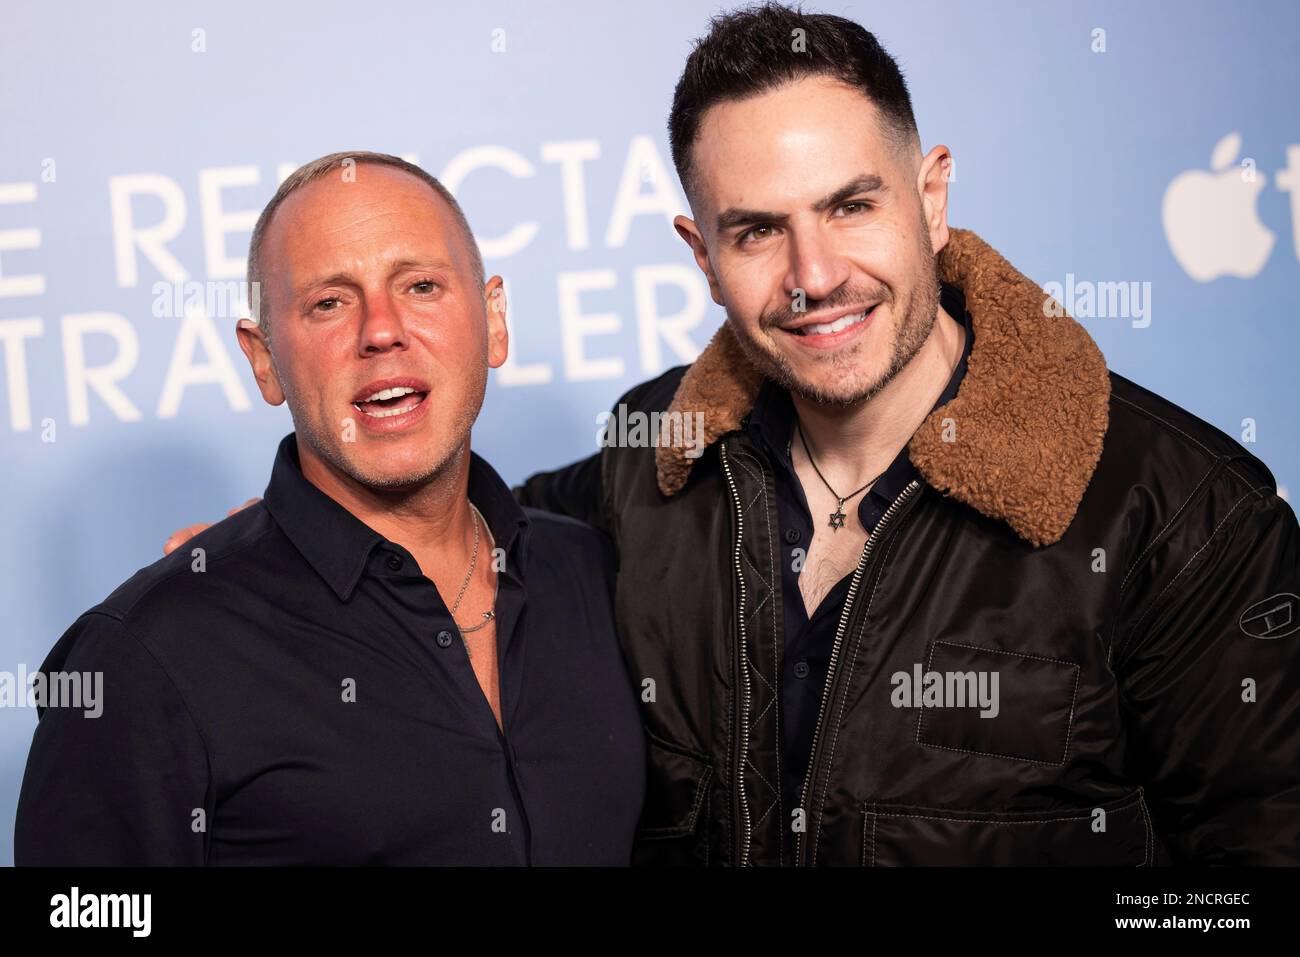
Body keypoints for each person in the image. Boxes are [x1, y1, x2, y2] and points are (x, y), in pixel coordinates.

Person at [162, 6, 1300, 866]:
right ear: (699, 252)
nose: (814, 277)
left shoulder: (1181, 511)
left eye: (851, 206)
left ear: (932, 194)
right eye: (756, 230)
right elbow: (452, 524)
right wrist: (276, 548)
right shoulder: (649, 459)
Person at [15, 152, 644, 865]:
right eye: (329, 302)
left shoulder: (597, 574)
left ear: (494, 321)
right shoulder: (148, 654)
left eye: (422, 285)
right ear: (263, 359)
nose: (382, 330)